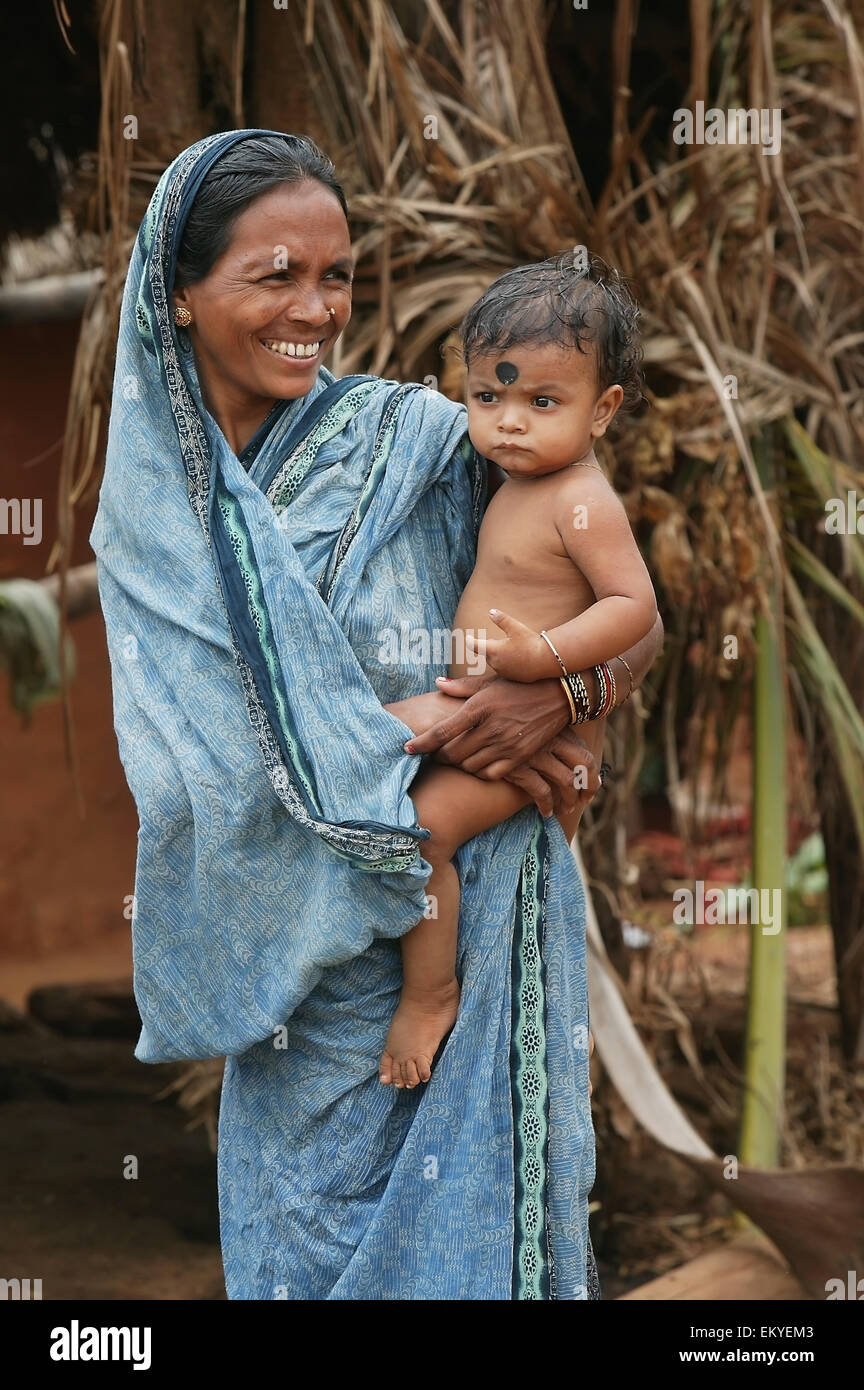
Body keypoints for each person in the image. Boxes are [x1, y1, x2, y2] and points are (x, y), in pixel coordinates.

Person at [91, 129, 663, 1301]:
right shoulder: (152, 531)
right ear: (181, 296)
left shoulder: (423, 439)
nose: (317, 306)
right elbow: (204, 769)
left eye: (336, 273)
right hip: (306, 988)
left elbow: (629, 609)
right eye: (274, 275)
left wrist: (562, 693)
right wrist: (422, 732)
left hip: (478, 924)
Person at [378, 255, 657, 1089]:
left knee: (423, 829)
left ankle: (429, 996)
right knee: (373, 756)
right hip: (482, 709)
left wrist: (545, 662)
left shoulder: (582, 500)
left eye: (542, 402)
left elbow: (634, 606)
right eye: (487, 397)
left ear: (604, 410)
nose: (508, 423)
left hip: (546, 734)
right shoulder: (513, 480)